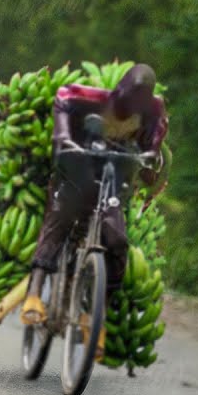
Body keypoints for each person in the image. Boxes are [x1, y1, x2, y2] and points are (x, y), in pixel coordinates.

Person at [20, 63, 170, 353]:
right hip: (76, 170)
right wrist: (64, 138)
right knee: (61, 215)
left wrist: (151, 157)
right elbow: (63, 99)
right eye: (128, 98)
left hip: (114, 179)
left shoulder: (154, 110)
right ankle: (34, 293)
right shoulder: (85, 98)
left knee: (117, 240)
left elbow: (154, 146)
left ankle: (97, 314)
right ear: (119, 91)